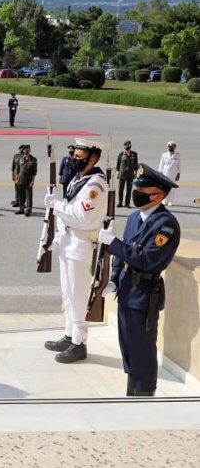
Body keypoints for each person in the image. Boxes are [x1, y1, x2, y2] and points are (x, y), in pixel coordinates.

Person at [100, 164, 180, 396]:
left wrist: (113, 244)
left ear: (158, 195)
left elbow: (146, 259)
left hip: (144, 293)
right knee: (127, 346)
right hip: (126, 288)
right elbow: (123, 251)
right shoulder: (136, 217)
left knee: (142, 349)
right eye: (136, 188)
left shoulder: (165, 225)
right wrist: (114, 277)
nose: (136, 193)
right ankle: (131, 391)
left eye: (142, 191)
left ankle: (144, 394)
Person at [43, 138, 108, 364]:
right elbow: (70, 212)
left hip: (82, 246)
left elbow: (81, 216)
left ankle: (79, 344)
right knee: (67, 294)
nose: (74, 160)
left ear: (92, 159)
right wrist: (56, 235)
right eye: (73, 156)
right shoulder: (79, 179)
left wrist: (55, 205)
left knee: (78, 297)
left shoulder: (95, 185)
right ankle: (70, 335)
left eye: (79, 158)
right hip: (69, 242)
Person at [14, 144, 38, 216]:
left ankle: (28, 209)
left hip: (28, 180)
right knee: (21, 195)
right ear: (23, 151)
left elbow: (34, 172)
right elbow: (17, 170)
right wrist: (17, 179)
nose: (26, 151)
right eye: (25, 149)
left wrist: (33, 181)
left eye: (28, 149)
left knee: (29, 196)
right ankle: (21, 208)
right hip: (20, 180)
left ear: (30, 150)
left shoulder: (33, 159)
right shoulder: (20, 159)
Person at [116, 141, 139, 207]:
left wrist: (135, 174)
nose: (127, 147)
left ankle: (127, 203)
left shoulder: (134, 154)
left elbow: (136, 165)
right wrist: (117, 173)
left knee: (129, 189)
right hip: (122, 174)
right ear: (124, 147)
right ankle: (120, 202)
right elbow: (118, 165)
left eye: (129, 146)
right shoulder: (121, 154)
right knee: (120, 189)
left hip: (130, 174)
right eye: (126, 146)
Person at [158, 141, 181, 206]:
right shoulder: (164, 155)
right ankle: (164, 200)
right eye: (169, 147)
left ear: (174, 148)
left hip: (173, 173)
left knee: (172, 187)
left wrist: (178, 174)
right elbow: (161, 165)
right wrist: (160, 174)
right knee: (164, 187)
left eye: (172, 147)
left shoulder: (178, 155)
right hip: (165, 173)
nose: (170, 148)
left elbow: (179, 165)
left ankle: (170, 201)